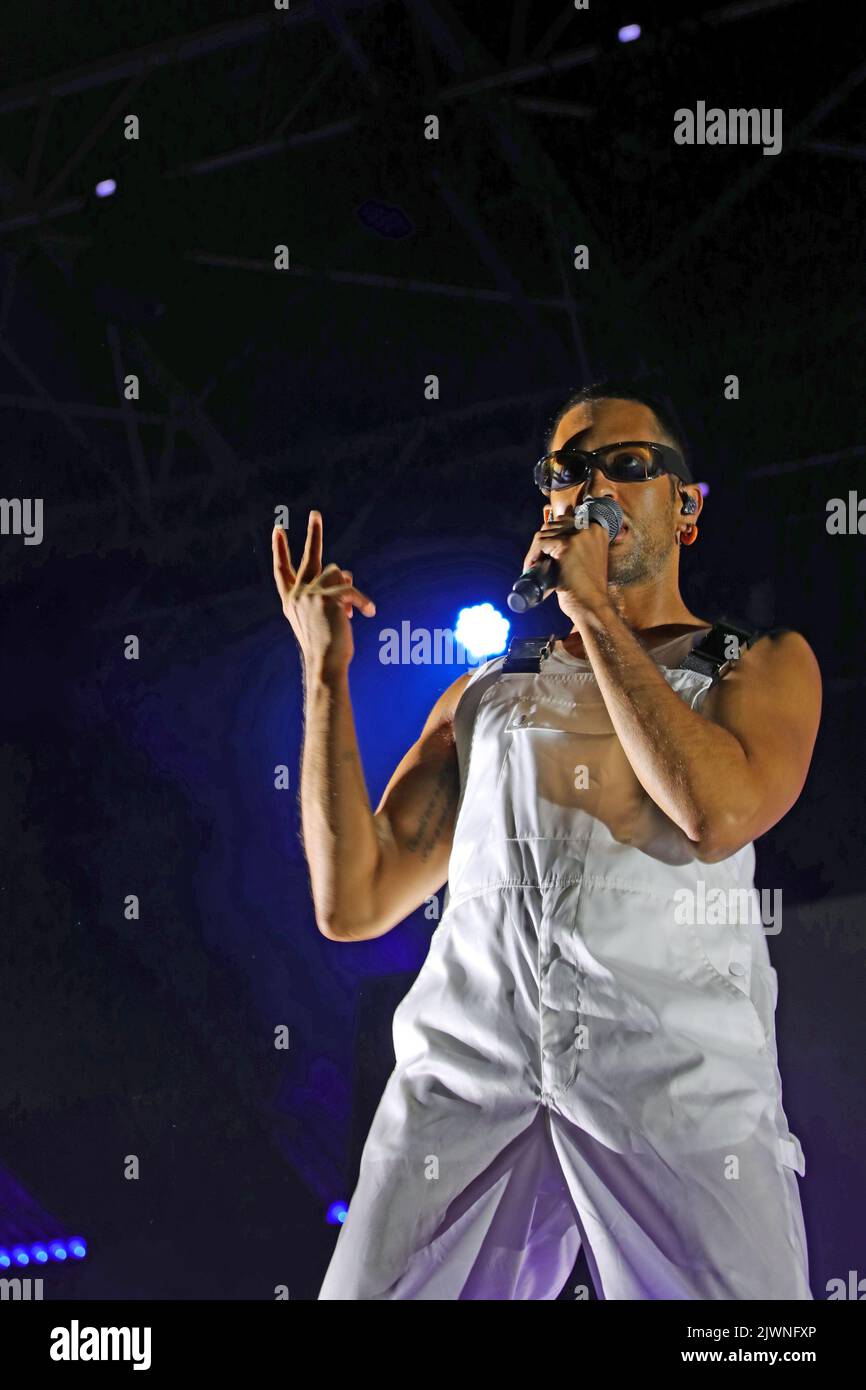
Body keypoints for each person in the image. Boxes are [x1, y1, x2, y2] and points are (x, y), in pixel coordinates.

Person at [272, 380, 822, 1300]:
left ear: (686, 508)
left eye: (627, 465)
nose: (592, 485)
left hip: (677, 1087)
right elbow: (352, 900)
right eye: (567, 471)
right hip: (466, 1075)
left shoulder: (755, 663)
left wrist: (599, 615)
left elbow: (716, 811)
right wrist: (324, 676)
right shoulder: (486, 692)